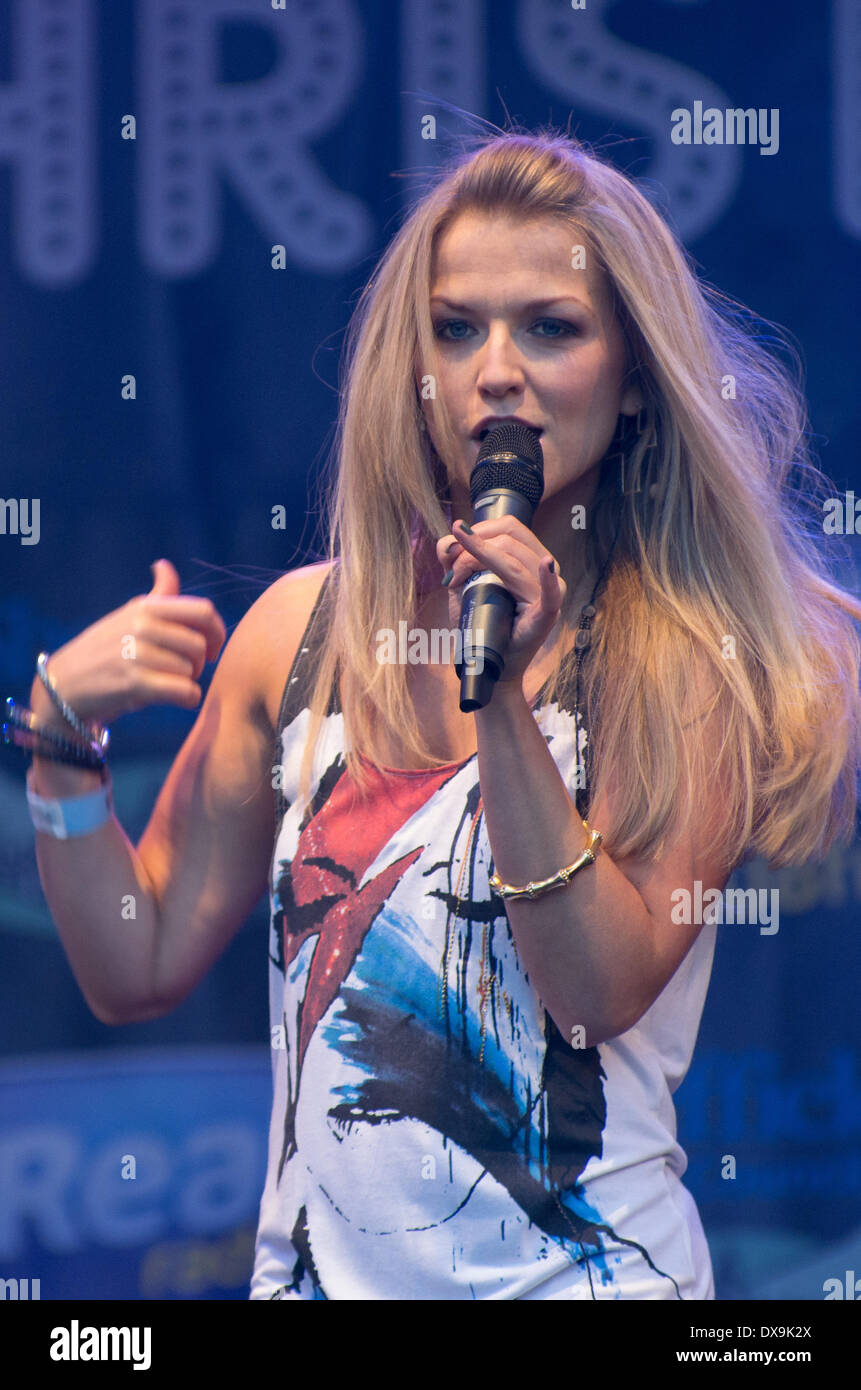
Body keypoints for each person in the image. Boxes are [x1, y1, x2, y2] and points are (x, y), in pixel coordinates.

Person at [10, 130, 861, 1301]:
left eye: (549, 328)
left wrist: (500, 695)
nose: (495, 371)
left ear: (631, 376)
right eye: (456, 328)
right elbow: (134, 959)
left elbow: (595, 985)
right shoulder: (306, 632)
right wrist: (62, 749)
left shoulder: (684, 655)